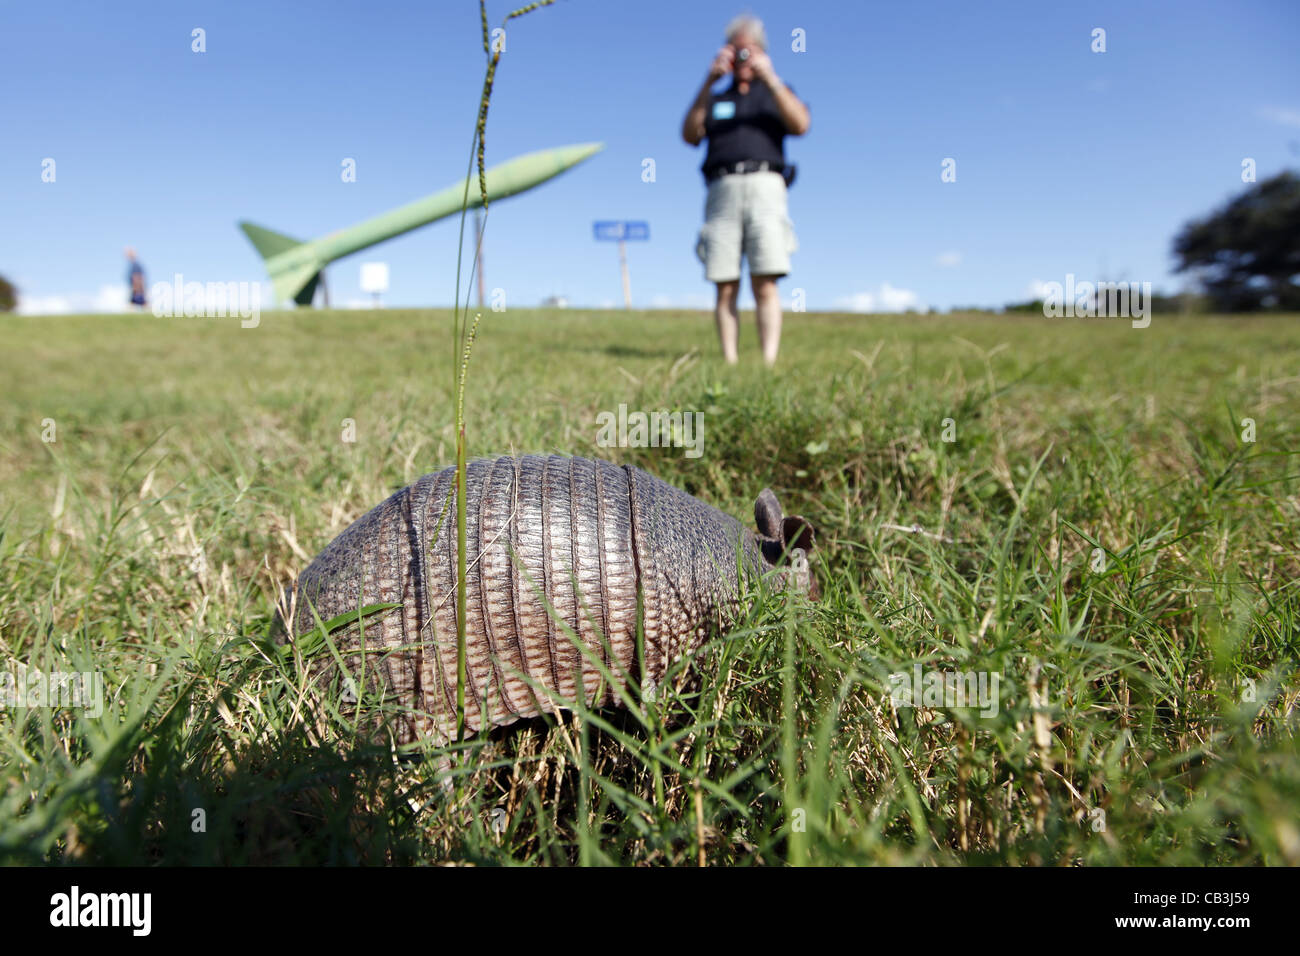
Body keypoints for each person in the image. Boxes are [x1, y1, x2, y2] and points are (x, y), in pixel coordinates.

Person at [681, 14, 810, 366]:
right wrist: (709, 81)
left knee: (765, 279)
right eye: (736, 50)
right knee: (725, 282)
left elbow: (800, 124)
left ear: (761, 52)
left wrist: (770, 77)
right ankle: (731, 361)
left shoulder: (775, 94)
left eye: (748, 51)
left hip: (766, 186)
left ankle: (768, 361)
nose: (741, 58)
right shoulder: (715, 97)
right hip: (722, 188)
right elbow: (690, 135)